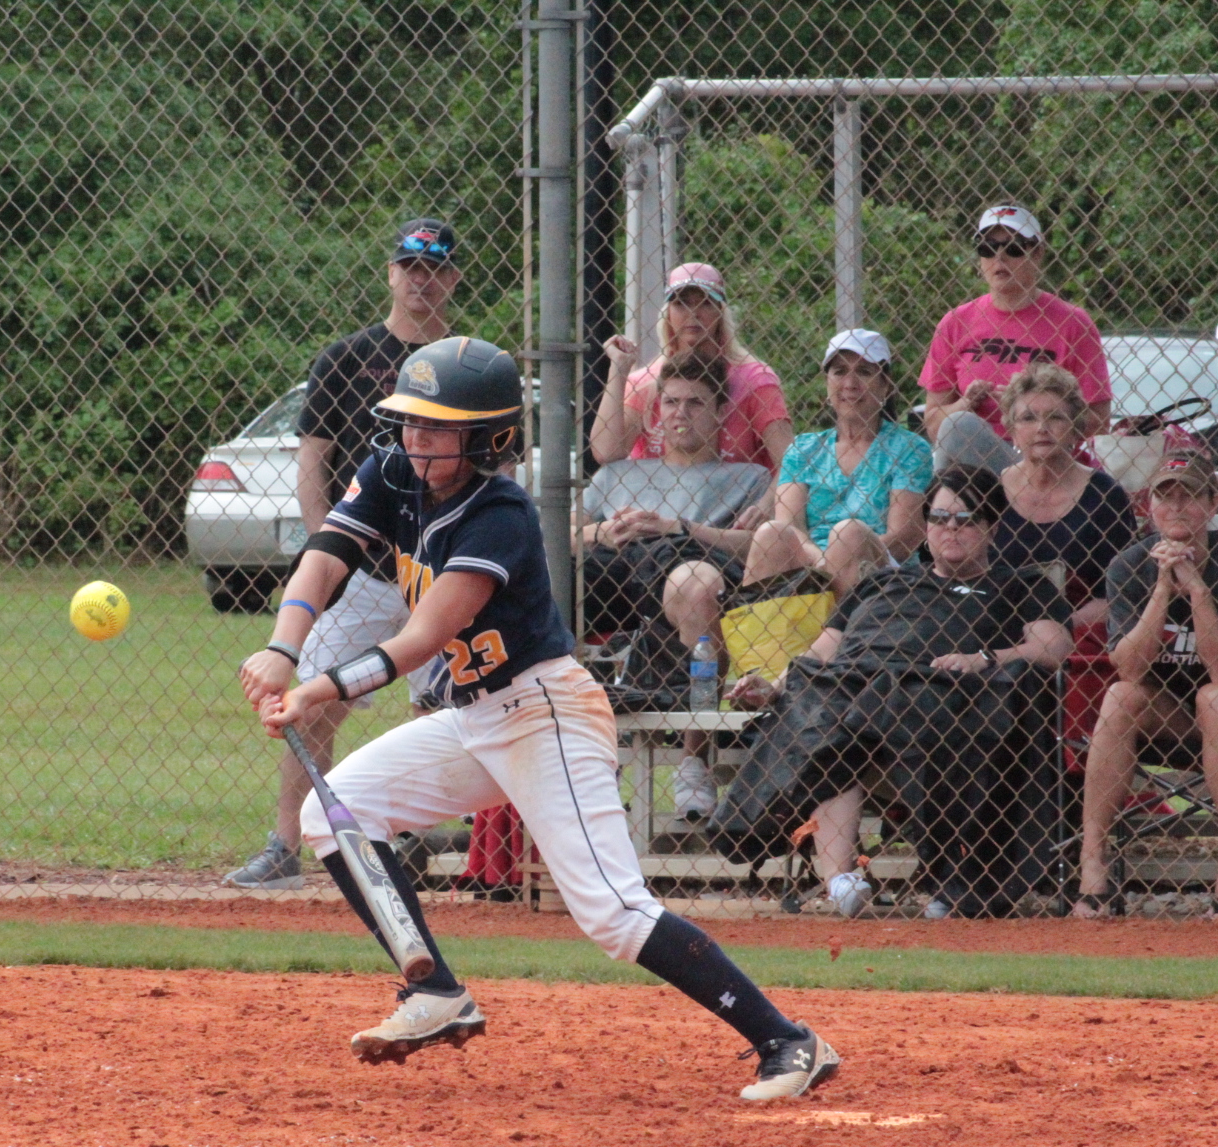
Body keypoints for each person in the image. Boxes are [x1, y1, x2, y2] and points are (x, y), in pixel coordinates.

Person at [240, 336, 839, 1100]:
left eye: (435, 427)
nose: (412, 439)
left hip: (547, 715)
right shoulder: (395, 469)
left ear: (487, 439)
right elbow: (325, 554)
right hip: (477, 716)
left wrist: (315, 689)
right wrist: (282, 648)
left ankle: (788, 1042)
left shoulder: (501, 516)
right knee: (341, 814)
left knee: (615, 915)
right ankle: (434, 993)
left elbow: (421, 639)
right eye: (409, 423)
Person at [717, 465, 1072, 918]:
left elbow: (1053, 646)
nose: (951, 529)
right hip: (854, 699)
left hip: (944, 707)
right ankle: (841, 883)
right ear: (925, 527)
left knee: (850, 716)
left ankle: (956, 880)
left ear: (992, 526)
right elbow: (823, 652)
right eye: (940, 518)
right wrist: (776, 687)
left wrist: (982, 659)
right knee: (825, 710)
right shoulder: (883, 582)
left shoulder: (1018, 584)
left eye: (966, 519)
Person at [224, 218, 461, 891]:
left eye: (435, 267)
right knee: (311, 704)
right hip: (360, 567)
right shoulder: (346, 358)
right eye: (410, 266)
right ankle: (287, 845)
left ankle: (412, 846)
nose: (422, 278)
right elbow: (314, 464)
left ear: (452, 278)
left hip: (441, 572)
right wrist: (332, 548)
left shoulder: (467, 363)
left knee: (436, 711)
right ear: (391, 274)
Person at [1076, 451, 1218, 920]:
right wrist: (1160, 589)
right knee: (1119, 695)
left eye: (1189, 496)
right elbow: (1129, 669)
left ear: (1213, 503)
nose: (1175, 507)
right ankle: (1093, 864)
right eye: (1164, 496)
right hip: (1171, 710)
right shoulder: (1129, 564)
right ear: (1148, 507)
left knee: (1213, 697)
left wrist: (1197, 590)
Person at [577, 352, 768, 817]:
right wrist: (602, 531)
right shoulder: (616, 474)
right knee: (549, 580)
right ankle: (580, 756)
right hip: (613, 566)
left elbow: (758, 547)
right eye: (671, 402)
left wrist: (679, 527)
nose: (681, 414)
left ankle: (693, 758)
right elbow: (557, 534)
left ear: (721, 412)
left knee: (699, 583)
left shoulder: (749, 478)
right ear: (656, 411)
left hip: (684, 562)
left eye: (695, 404)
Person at [919, 205, 1113, 474]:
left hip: (1047, 458)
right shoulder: (955, 323)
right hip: (975, 462)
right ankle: (948, 511)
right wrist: (967, 403)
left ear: (1038, 254)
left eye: (1014, 247)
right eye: (987, 247)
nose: (999, 257)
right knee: (959, 425)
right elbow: (933, 423)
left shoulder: (1073, 323)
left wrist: (1027, 411)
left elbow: (1099, 421)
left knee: (960, 428)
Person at [741, 328, 931, 597]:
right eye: (840, 371)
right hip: (807, 569)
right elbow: (791, 526)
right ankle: (764, 636)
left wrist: (841, 556)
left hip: (878, 572)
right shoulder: (803, 449)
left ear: (886, 385)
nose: (850, 383)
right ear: (827, 381)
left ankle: (839, 631)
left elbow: (904, 536)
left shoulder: (909, 448)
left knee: (849, 534)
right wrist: (823, 563)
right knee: (770, 533)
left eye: (864, 372)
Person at [589, 261, 793, 488]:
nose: (693, 314)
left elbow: (790, 464)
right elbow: (606, 452)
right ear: (667, 313)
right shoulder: (645, 381)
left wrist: (764, 507)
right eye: (681, 304)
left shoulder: (755, 379)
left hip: (734, 504)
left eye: (705, 303)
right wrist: (618, 370)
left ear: (720, 312)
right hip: (656, 504)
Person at [991, 363, 1136, 629]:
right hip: (997, 630)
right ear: (1011, 429)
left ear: (1075, 427)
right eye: (1028, 418)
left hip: (1082, 635)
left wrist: (1058, 630)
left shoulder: (1106, 496)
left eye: (1055, 417)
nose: (1042, 428)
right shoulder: (990, 492)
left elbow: (1120, 592)